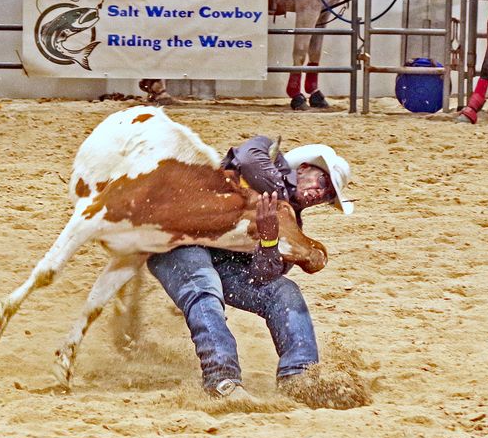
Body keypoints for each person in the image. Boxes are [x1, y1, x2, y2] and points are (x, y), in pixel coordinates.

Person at [146, 136, 355, 404]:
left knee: (283, 291)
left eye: (328, 196)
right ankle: (221, 378)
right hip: (178, 238)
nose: (320, 194)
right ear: (303, 168)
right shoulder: (266, 160)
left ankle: (300, 377)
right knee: (204, 284)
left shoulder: (292, 226)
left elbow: (262, 277)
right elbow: (246, 156)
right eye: (323, 182)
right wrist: (277, 201)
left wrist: (269, 240)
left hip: (218, 259)